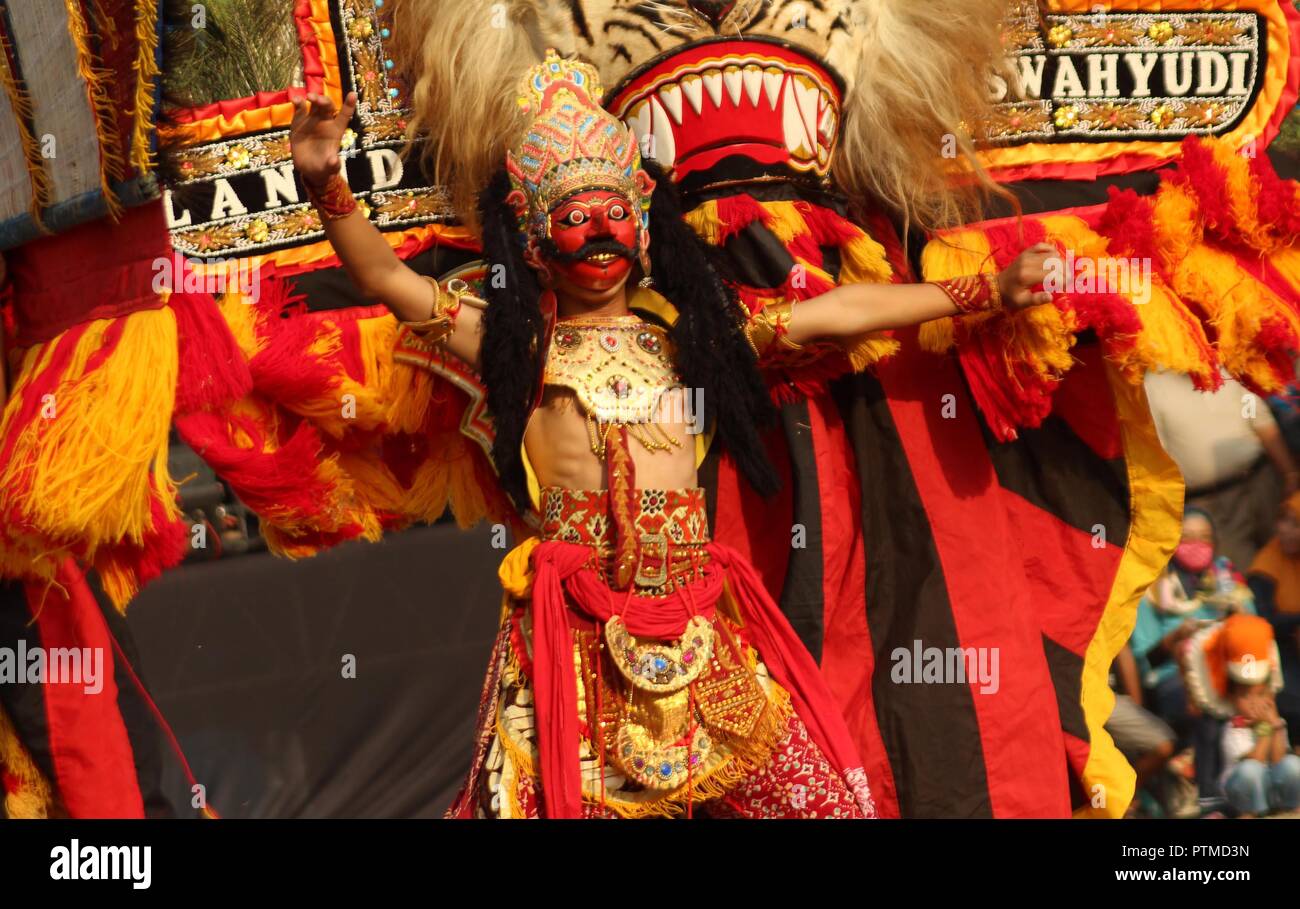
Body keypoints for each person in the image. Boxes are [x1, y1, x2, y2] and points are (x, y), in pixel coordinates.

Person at [288, 53, 1053, 818]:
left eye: (615, 213)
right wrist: (328, 184)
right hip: (574, 631)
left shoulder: (697, 341)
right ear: (532, 241)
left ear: (646, 229)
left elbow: (838, 312)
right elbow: (388, 280)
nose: (598, 232)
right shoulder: (519, 346)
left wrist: (984, 289)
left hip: (697, 623)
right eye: (574, 216)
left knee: (820, 807)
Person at [1145, 368, 1299, 569]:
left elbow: (1261, 420)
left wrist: (1290, 473)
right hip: (1212, 502)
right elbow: (1158, 458)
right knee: (1239, 571)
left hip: (1262, 481)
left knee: (1290, 555)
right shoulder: (1152, 385)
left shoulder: (1226, 364)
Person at [1182, 614, 1300, 817]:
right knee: (1250, 772)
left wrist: (1276, 725)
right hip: (1239, 792)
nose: (1254, 702)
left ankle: (1291, 806)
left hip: (1269, 788)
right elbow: (1255, 761)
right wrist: (1264, 730)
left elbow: (1279, 759)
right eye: (1245, 696)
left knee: (1292, 765)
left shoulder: (1274, 722)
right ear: (1233, 699)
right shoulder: (1234, 726)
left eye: (1261, 694)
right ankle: (1249, 813)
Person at [1245, 493, 1300, 738]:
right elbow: (1263, 622)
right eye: (1283, 521)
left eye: (1296, 525)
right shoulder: (1265, 567)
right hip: (1278, 650)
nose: (1286, 531)